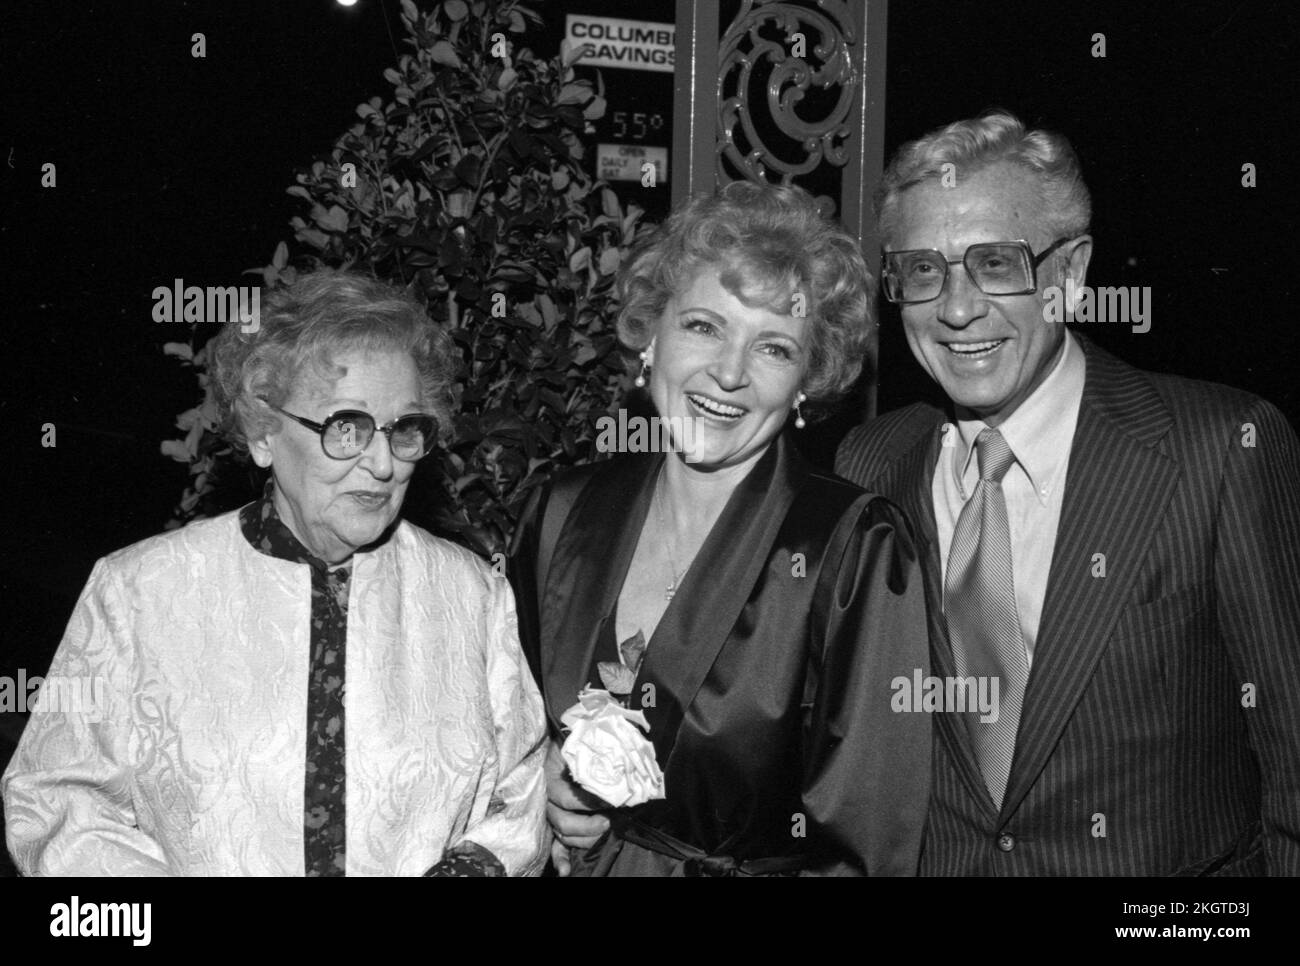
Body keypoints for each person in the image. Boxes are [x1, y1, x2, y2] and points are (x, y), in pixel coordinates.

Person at [836, 111, 1300, 875]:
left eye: (995, 264)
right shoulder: (873, 461)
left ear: (1071, 275)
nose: (956, 309)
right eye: (922, 270)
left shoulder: (1219, 450)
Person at [3, 270, 548, 876]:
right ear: (265, 431)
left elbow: (518, 798)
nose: (382, 462)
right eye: (348, 427)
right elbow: (56, 802)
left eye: (404, 431)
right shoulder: (138, 593)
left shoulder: (470, 595)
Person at [510, 181, 931, 876]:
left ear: (806, 383)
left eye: (773, 349)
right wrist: (544, 797)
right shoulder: (561, 511)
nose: (729, 373)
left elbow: (869, 851)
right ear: (650, 336)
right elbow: (500, 757)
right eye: (704, 326)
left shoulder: (854, 548)